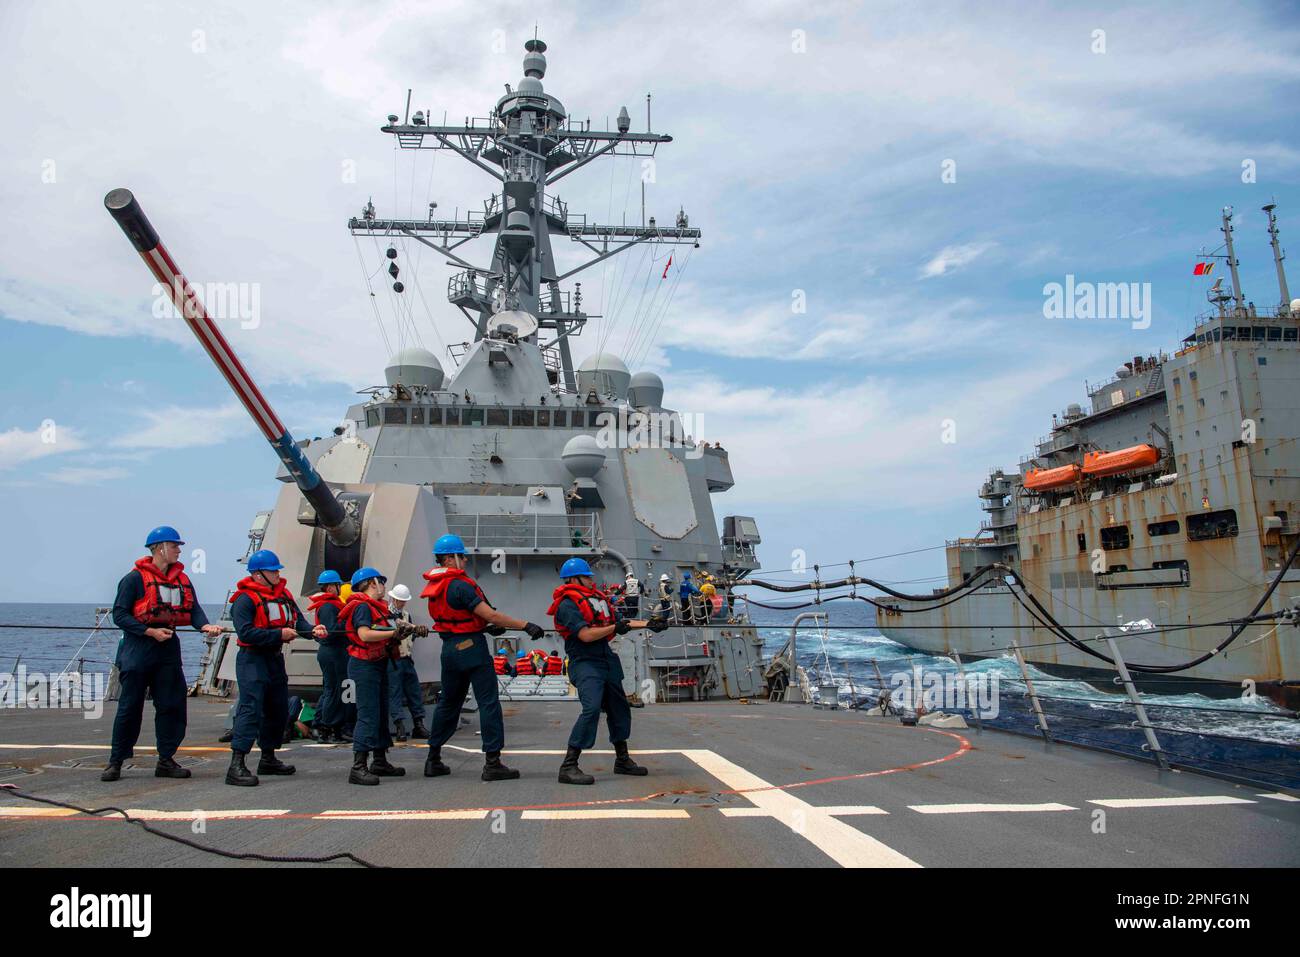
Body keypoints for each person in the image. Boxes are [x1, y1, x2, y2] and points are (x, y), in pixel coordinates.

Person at [420, 533, 546, 782]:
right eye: (462, 557)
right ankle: (492, 763)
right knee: (488, 703)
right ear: (451, 558)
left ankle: (433, 758)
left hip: (450, 651)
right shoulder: (460, 585)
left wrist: (484, 627)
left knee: (448, 704)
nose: (465, 561)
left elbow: (460, 620)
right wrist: (526, 625)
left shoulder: (436, 587)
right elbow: (493, 615)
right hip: (472, 650)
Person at [103, 526, 224, 782]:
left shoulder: (182, 580)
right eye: (175, 546)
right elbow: (120, 614)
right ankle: (116, 761)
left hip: (168, 648)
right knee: (130, 707)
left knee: (172, 705)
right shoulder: (133, 579)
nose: (180, 551)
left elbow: (193, 610)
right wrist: (148, 631)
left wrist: (205, 626)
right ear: (160, 548)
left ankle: (166, 759)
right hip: (138, 648)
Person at [546, 557, 668, 785]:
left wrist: (651, 624)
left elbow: (622, 622)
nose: (592, 580)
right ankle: (569, 765)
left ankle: (622, 759)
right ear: (574, 579)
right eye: (587, 576)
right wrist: (614, 628)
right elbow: (585, 635)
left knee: (619, 708)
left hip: (606, 659)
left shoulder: (597, 600)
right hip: (585, 661)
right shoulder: (567, 605)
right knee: (591, 708)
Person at [225, 549, 327, 787]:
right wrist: (277, 634)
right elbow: (246, 632)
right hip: (252, 660)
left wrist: (313, 631)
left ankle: (268, 757)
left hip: (273, 659)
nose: (277, 573)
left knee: (277, 708)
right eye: (273, 570)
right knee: (250, 709)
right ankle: (236, 764)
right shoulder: (244, 600)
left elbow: (298, 621)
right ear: (258, 574)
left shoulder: (283, 595)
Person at [339, 567, 424, 785]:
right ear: (372, 583)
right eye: (381, 582)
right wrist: (394, 633)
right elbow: (365, 634)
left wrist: (412, 628)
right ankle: (358, 767)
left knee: (379, 713)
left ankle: (379, 760)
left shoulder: (377, 608)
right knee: (367, 714)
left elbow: (392, 625)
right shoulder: (362, 607)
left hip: (378, 664)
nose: (384, 587)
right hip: (364, 666)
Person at [306, 570, 348, 744]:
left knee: (334, 690)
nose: (339, 588)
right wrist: (348, 621)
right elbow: (331, 631)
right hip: (333, 652)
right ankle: (327, 729)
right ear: (331, 586)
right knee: (333, 691)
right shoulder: (329, 606)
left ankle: (333, 728)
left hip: (331, 652)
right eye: (338, 585)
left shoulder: (326, 605)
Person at [386, 583, 430, 742]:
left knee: (414, 691)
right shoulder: (387, 614)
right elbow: (396, 625)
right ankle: (400, 726)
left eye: (403, 600)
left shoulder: (406, 615)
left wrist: (415, 631)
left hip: (406, 658)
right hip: (393, 659)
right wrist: (414, 628)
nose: (402, 603)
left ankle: (418, 724)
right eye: (399, 600)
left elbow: (410, 635)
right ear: (393, 598)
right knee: (395, 692)